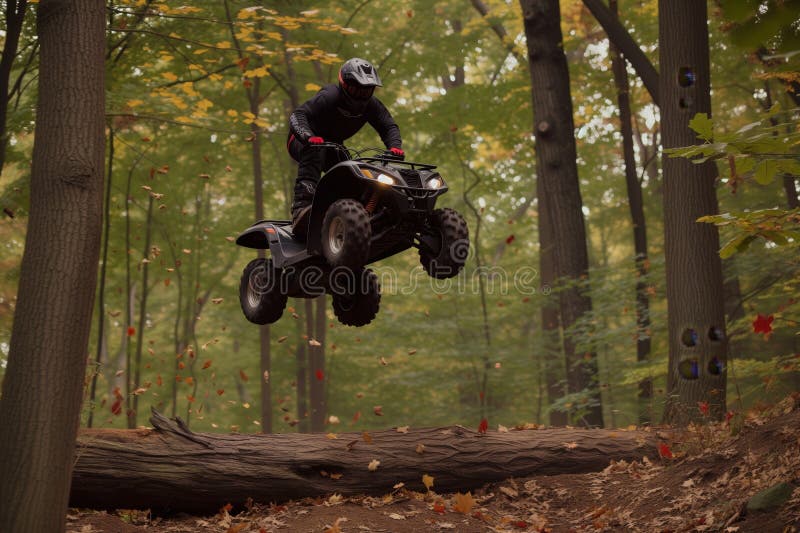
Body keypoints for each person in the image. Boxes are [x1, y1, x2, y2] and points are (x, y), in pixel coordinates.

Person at [287, 58, 404, 237]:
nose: (360, 94)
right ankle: (300, 210)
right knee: (315, 152)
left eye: (366, 90)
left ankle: (351, 217)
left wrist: (395, 147)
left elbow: (388, 126)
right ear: (344, 84)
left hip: (334, 146)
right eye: (355, 88)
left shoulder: (372, 105)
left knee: (352, 173)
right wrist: (308, 136)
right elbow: (298, 114)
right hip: (302, 140)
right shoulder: (330, 96)